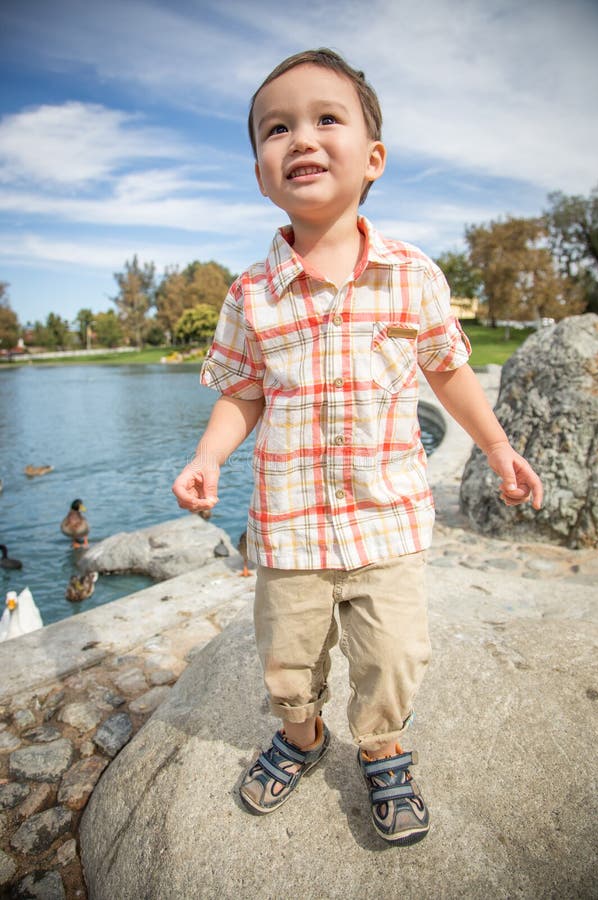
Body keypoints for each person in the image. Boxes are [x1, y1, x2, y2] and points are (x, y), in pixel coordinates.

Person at [172, 48, 543, 846]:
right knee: (289, 657)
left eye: (325, 119)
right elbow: (242, 391)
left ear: (372, 158)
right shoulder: (250, 293)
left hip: (387, 519)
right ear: (261, 174)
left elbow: (449, 372)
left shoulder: (413, 276)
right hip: (292, 526)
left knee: (394, 652)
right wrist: (209, 457)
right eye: (277, 129)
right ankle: (303, 737)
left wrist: (499, 445)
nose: (300, 138)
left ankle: (385, 746)